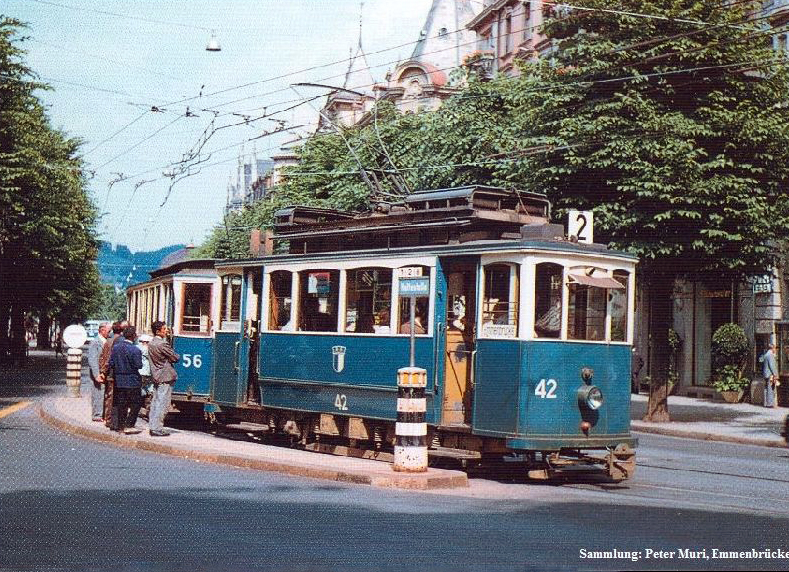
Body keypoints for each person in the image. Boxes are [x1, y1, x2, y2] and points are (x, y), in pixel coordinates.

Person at [147, 321, 180, 437]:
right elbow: (175, 357)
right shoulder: (162, 344)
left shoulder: (151, 343)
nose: (166, 330)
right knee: (163, 403)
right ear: (158, 331)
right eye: (164, 329)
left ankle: (153, 425)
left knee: (156, 401)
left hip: (156, 375)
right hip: (165, 376)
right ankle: (157, 428)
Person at [109, 325, 143, 434]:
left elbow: (111, 363)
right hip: (132, 380)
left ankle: (120, 426)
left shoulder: (116, 348)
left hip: (119, 380)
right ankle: (129, 424)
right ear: (133, 336)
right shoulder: (135, 350)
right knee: (135, 403)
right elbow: (139, 365)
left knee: (121, 404)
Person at [99, 320, 128, 427]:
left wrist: (102, 371)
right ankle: (110, 419)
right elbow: (108, 359)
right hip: (114, 373)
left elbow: (102, 357)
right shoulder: (121, 341)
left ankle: (106, 417)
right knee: (113, 397)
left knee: (108, 395)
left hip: (108, 373)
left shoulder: (108, 341)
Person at [86, 322, 111, 422]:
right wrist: (96, 375)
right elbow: (92, 359)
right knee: (98, 394)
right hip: (98, 374)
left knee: (104, 394)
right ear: (102, 330)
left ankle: (102, 414)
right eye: (109, 331)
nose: (110, 333)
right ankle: (97, 415)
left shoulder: (107, 341)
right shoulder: (95, 342)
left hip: (105, 373)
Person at [136, 334, 154, 415]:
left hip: (139, 372)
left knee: (140, 390)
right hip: (149, 373)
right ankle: (148, 409)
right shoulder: (150, 350)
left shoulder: (137, 348)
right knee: (149, 391)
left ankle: (138, 408)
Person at [760, 343, 779, 408]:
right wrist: (775, 374)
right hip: (770, 374)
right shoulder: (770, 355)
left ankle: (766, 403)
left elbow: (761, 361)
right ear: (772, 348)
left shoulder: (765, 355)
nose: (775, 350)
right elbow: (772, 366)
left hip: (765, 374)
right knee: (770, 388)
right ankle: (770, 404)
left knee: (766, 388)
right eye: (775, 348)